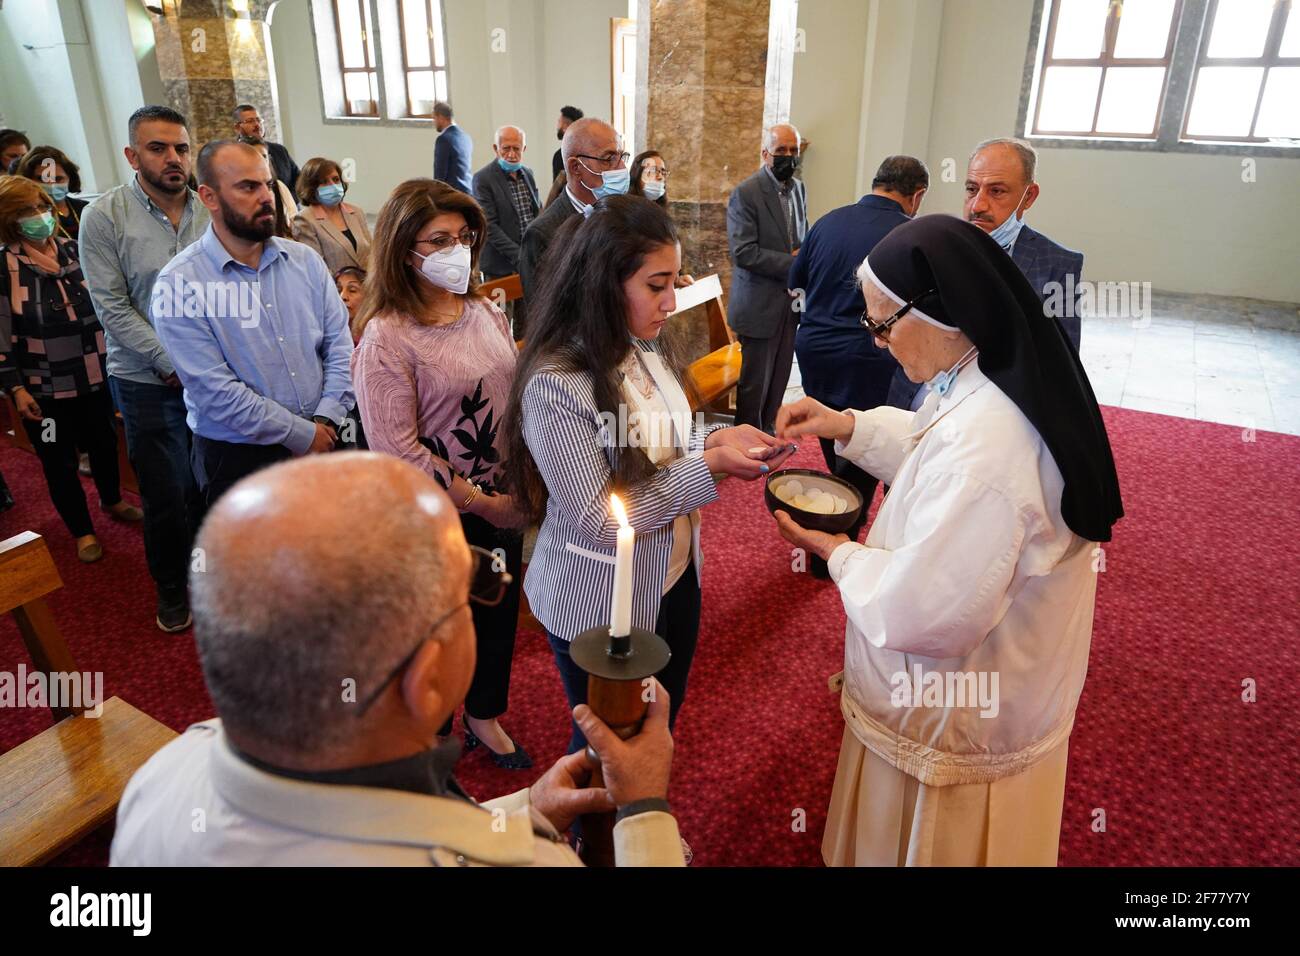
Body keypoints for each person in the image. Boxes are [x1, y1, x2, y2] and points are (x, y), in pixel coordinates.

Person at [110, 453, 686, 866]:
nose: (489, 586)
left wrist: (519, 811)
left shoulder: (160, 777)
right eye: (468, 584)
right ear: (425, 677)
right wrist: (645, 810)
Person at [773, 213, 1123, 867]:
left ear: (940, 310)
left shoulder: (993, 447)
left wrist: (839, 553)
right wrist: (845, 423)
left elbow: (926, 612)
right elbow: (931, 442)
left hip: (960, 712)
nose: (876, 343)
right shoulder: (990, 368)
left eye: (882, 324)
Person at [504, 194, 794, 753]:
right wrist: (708, 466)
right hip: (595, 594)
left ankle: (638, 823)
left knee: (661, 716)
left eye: (673, 281)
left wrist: (713, 437)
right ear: (606, 285)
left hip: (673, 574)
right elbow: (597, 518)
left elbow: (664, 434)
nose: (672, 299)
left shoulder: (640, 344)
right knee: (607, 742)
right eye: (656, 285)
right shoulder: (557, 383)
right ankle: (598, 836)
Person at [352, 178, 531, 767]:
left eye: (464, 236)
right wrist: (483, 502)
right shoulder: (387, 335)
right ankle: (424, 739)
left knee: (496, 615)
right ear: (407, 250)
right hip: (437, 515)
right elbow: (398, 453)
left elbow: (512, 386)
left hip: (502, 497)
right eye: (439, 240)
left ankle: (483, 715)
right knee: (435, 634)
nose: (458, 249)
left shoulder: (481, 308)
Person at [151, 141, 353, 509]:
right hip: (241, 456)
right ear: (209, 197)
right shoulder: (180, 283)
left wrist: (325, 418)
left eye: (268, 184)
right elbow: (215, 391)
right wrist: (301, 434)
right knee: (257, 564)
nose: (266, 197)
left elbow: (340, 346)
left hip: (328, 433)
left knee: (335, 555)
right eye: (248, 187)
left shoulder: (304, 261)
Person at [79, 105, 209, 633]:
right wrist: (170, 361)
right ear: (133, 156)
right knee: (167, 491)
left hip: (213, 378)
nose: (173, 158)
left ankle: (211, 578)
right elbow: (111, 307)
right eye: (159, 148)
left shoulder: (208, 208)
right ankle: (172, 587)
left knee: (210, 486)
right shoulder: (104, 216)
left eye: (180, 147)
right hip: (144, 379)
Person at [789, 154, 927, 576]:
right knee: (870, 444)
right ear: (917, 195)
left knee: (835, 440)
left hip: (816, 350)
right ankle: (843, 540)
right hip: (873, 357)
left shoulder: (829, 221)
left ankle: (827, 531)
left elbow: (796, 282)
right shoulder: (911, 233)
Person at [0, 176, 142, 562]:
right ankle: (82, 530)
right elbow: (0, 339)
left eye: (41, 206)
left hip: (95, 377)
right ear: (11, 219)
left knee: (104, 444)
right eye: (27, 211)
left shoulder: (72, 249)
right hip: (44, 393)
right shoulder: (5, 267)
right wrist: (16, 389)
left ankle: (112, 500)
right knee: (58, 457)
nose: (39, 216)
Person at [727, 123, 808, 433]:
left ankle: (770, 432)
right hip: (758, 304)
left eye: (793, 151)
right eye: (781, 151)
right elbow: (743, 253)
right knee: (754, 386)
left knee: (779, 380)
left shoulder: (799, 188)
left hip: (790, 304)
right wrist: (793, 263)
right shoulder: (745, 194)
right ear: (765, 154)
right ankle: (746, 442)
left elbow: (803, 237)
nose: (788, 157)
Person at [519, 117, 628, 303]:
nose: (622, 168)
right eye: (609, 158)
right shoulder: (543, 234)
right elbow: (544, 317)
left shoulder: (621, 213)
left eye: (621, 156)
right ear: (576, 167)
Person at [291, 157, 371, 273]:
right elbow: (316, 269)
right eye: (324, 182)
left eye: (336, 179)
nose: (332, 185)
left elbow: (372, 254)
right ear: (311, 188)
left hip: (367, 287)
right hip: (333, 289)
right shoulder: (304, 220)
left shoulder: (356, 212)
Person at [14, 146, 88, 244]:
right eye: (42, 179)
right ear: (26, 179)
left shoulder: (86, 208)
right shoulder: (24, 216)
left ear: (70, 179)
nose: (51, 185)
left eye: (58, 179)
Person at [232, 104, 299, 199]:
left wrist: (287, 201)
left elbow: (298, 180)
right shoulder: (233, 155)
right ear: (237, 128)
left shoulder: (279, 150)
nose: (257, 125)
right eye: (250, 121)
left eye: (258, 120)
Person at [241, 135, 299, 230]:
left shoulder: (279, 187)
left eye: (264, 157)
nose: (260, 162)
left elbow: (293, 221)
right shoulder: (239, 191)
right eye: (254, 157)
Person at [432, 101, 473, 195]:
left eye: (434, 118)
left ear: (441, 117)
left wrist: (436, 196)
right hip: (468, 192)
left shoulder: (443, 139)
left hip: (452, 195)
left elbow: (440, 174)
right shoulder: (466, 137)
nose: (434, 122)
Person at [552, 105, 583, 182]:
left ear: (565, 127)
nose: (557, 126)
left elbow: (559, 192)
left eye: (559, 122)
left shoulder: (560, 155)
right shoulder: (587, 152)